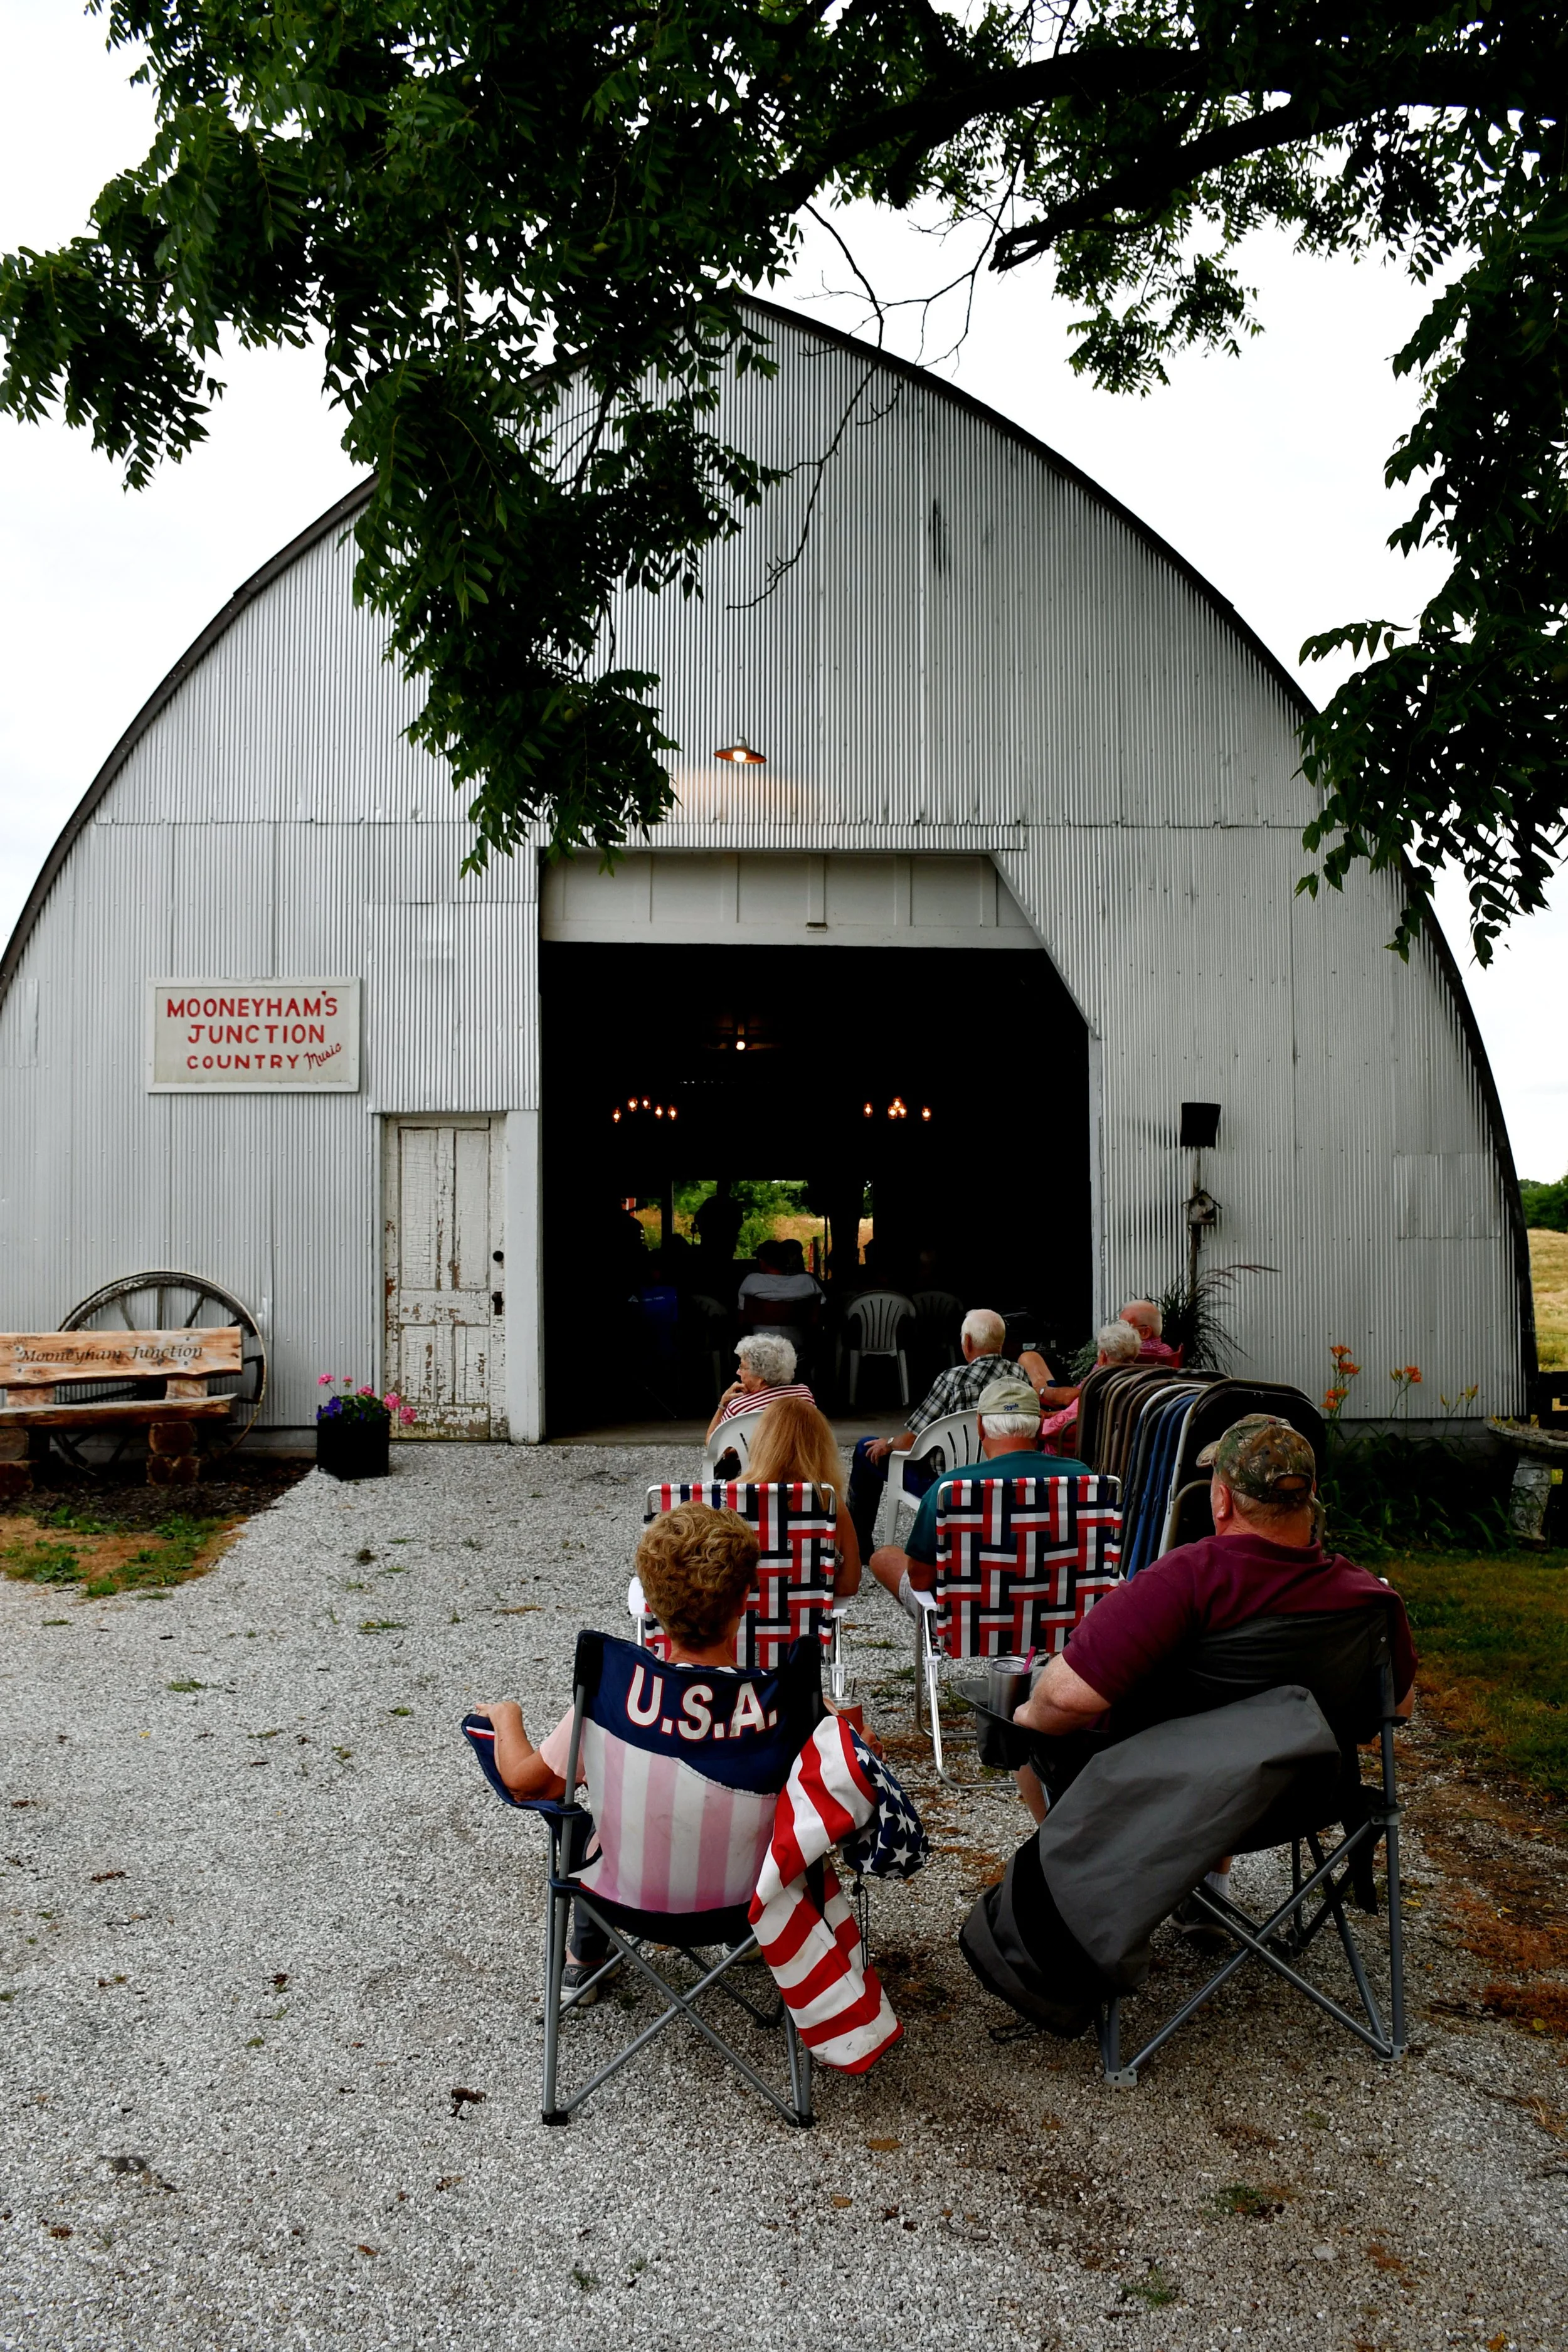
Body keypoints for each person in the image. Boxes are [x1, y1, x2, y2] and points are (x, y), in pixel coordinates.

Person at [1010, 1416, 1417, 1914]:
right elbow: (1397, 1707)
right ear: (1309, 1498)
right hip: (1305, 1801)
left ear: (1222, 1499)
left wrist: (1027, 1716)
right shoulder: (1370, 1598)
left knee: (1035, 1715)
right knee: (1233, 1736)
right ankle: (1207, 1897)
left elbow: (1066, 1698)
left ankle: (1070, 1903)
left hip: (1176, 1800)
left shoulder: (1185, 1580)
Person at [474, 1500, 762, 2003]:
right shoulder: (784, 1705)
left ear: (650, 1603)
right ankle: (747, 1942)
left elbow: (525, 1783)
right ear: (743, 1599)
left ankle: (585, 1960)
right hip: (752, 1901)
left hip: (630, 1897)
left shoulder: (613, 1700)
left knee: (581, 1823)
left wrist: (507, 1716)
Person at [869, 1377, 1091, 1816]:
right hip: (1061, 1619)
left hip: (972, 1622)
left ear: (980, 1428)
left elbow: (922, 1577)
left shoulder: (952, 1490)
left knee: (885, 1555)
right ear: (1039, 1426)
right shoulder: (1082, 1479)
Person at [845, 1306, 1032, 1557]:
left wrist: (888, 1443)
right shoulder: (1018, 1374)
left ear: (967, 1343)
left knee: (864, 1448)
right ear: (1002, 1342)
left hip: (946, 1487)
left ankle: (859, 1547)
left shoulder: (952, 1379)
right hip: (1003, 1481)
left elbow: (912, 1438)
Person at [745, 1394, 862, 1597]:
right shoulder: (829, 1503)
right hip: (806, 1626)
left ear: (762, 1443)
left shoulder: (727, 1498)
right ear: (821, 1449)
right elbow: (849, 1585)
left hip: (734, 1624)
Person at [1036, 1318, 1143, 1448]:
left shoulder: (1100, 1384)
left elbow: (1058, 1428)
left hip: (1082, 1457)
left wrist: (1040, 1420)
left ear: (1103, 1356)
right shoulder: (1140, 1381)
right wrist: (1052, 1415)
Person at [707, 1332, 813, 1443]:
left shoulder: (738, 1407)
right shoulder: (804, 1394)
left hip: (758, 1460)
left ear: (760, 1376)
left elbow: (712, 1443)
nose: (738, 1372)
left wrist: (723, 1404)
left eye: (742, 1367)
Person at [738, 1237, 825, 1363]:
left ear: (762, 1262)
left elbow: (741, 1320)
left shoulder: (751, 1282)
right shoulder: (807, 1282)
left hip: (759, 1350)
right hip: (796, 1349)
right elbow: (819, 1317)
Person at [1120, 1298, 1183, 1367]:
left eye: (1125, 1325)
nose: (1119, 1330)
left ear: (1145, 1332)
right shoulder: (1167, 1350)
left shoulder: (1132, 1354)